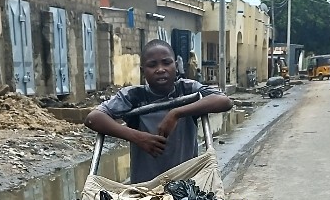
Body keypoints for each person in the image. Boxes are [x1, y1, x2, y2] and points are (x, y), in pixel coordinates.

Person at [85, 40, 232, 184]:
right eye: (152, 65)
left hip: (188, 186)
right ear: (143, 71)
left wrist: (176, 113)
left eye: (167, 63)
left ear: (176, 65)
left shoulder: (187, 90)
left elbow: (224, 101)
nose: (160, 69)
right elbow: (93, 118)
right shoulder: (133, 96)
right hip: (145, 191)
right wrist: (137, 137)